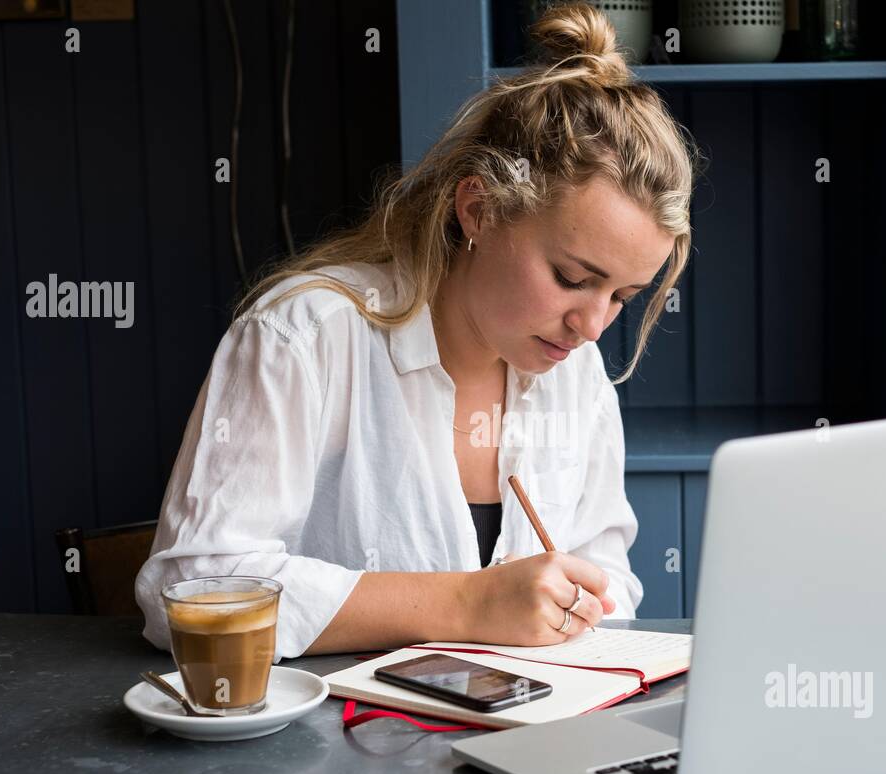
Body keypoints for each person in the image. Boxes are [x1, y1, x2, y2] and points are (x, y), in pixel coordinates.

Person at [134, 2, 700, 659]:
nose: (592, 326)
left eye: (622, 297)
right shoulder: (307, 338)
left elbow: (610, 585)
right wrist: (468, 604)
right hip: (325, 752)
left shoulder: (576, 375)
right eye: (573, 278)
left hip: (519, 743)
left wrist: (578, 608)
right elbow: (191, 589)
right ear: (478, 209)